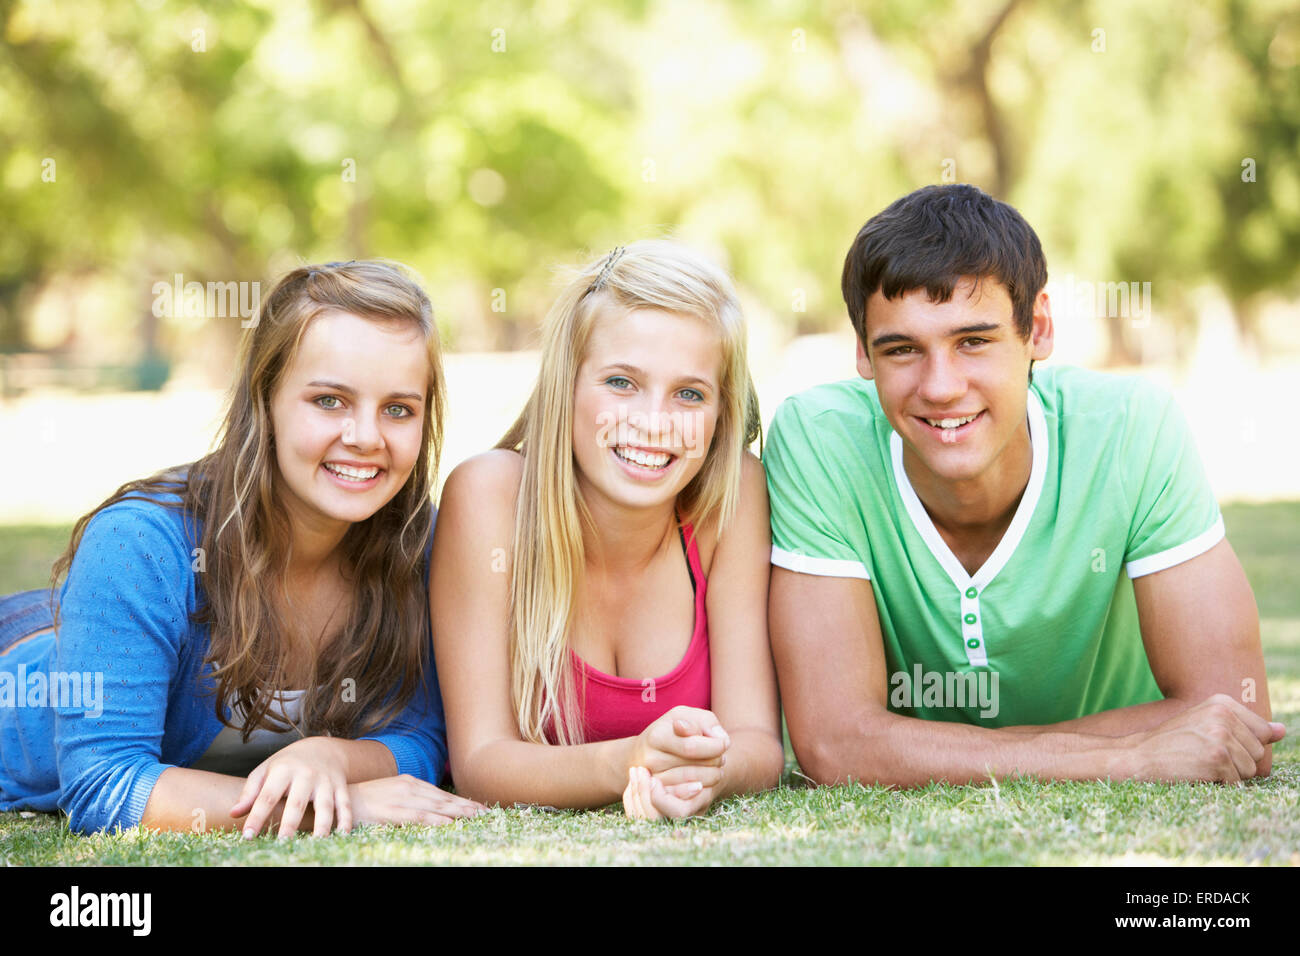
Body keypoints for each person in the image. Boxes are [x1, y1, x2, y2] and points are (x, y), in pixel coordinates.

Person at [765, 184, 1285, 788]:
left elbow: (1236, 724)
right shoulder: (818, 440)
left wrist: (911, 749)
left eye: (973, 341)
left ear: (1037, 328)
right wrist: (1130, 758)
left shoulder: (1130, 429)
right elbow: (837, 742)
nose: (940, 387)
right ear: (862, 353)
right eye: (902, 349)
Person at [0, 260, 484, 836]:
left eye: (398, 409)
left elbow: (421, 735)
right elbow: (105, 785)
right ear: (266, 400)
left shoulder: (418, 542)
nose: (365, 437)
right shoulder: (139, 544)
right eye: (329, 400)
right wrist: (327, 809)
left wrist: (330, 757)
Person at [432, 241, 783, 819]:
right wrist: (635, 761)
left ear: (721, 415)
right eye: (621, 382)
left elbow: (759, 745)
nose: (652, 423)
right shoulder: (490, 497)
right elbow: (480, 762)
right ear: (566, 384)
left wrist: (705, 777)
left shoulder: (731, 498)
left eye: (689, 394)